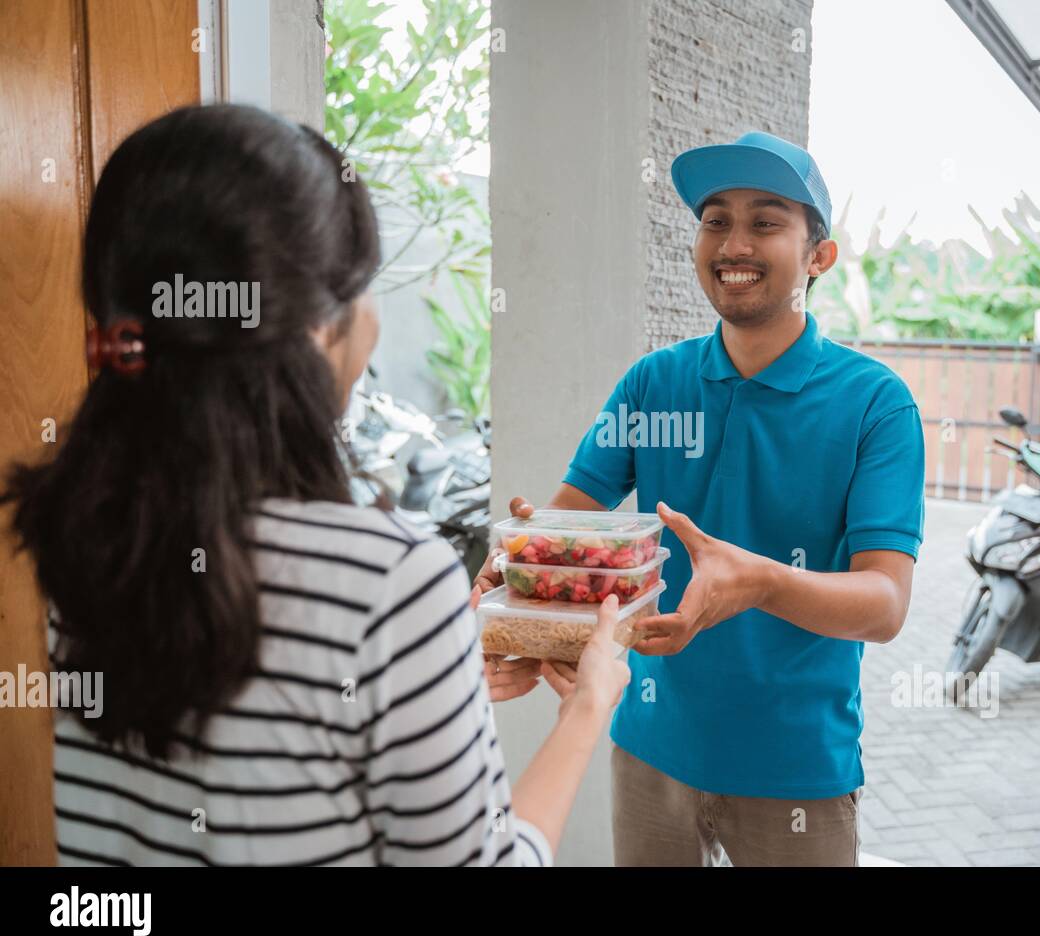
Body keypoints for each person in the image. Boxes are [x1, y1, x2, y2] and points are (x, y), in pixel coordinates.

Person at [2, 103, 628, 866]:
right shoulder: (393, 580)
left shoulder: (93, 536)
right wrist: (587, 708)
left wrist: (431, 654)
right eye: (364, 283)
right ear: (313, 328)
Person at [474, 131, 925, 867]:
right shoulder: (654, 384)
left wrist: (761, 583)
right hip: (651, 749)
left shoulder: (876, 405)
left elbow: (885, 604)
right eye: (716, 220)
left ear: (819, 256)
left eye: (765, 221)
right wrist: (517, 594)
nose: (733, 243)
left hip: (797, 772)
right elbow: (566, 530)